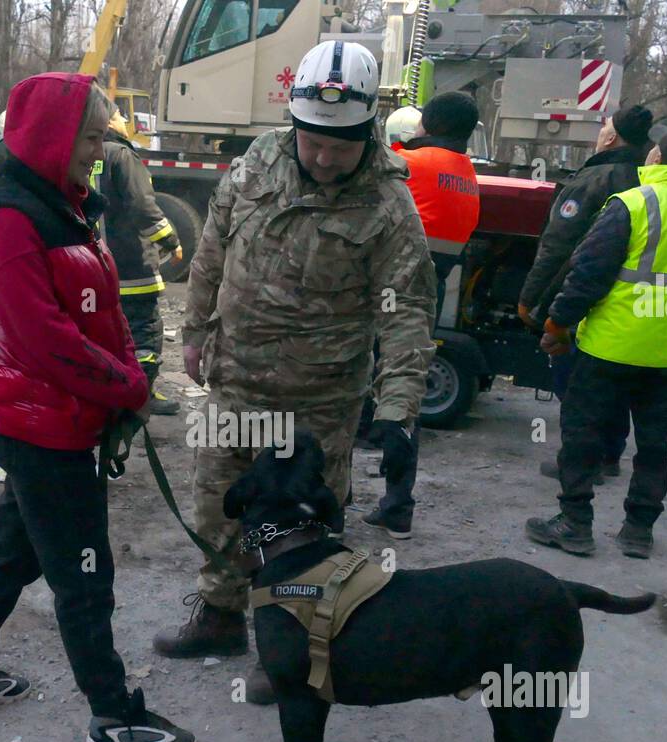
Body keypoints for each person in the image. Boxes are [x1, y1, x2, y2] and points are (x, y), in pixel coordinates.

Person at [152, 40, 436, 704]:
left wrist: (398, 410)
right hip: (239, 381)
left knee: (304, 531)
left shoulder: (388, 208)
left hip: (320, 400)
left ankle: (292, 650)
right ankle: (220, 618)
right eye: (313, 140)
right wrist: (193, 333)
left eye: (340, 143)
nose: (324, 156)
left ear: (368, 130)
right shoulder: (257, 163)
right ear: (294, 125)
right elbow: (213, 249)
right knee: (220, 505)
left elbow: (407, 313)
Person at [0, 73, 197, 742]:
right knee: (83, 579)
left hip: (56, 421)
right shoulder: (10, 220)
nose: (98, 149)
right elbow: (41, 339)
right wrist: (128, 387)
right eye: (89, 136)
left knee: (13, 553)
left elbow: (91, 313)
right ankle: (114, 717)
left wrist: (117, 385)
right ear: (52, 136)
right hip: (42, 426)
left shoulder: (63, 205)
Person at [525, 127, 667, 559]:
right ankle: (639, 530)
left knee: (583, 434)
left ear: (657, 157)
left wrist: (558, 323)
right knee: (656, 443)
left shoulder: (632, 204)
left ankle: (575, 522)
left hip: (611, 345)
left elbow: (588, 272)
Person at [357, 91, 482, 538]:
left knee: (349, 376)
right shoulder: (467, 175)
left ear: (426, 123)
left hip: (382, 283)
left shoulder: (412, 161)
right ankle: (397, 503)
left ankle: (332, 498)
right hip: (425, 290)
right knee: (404, 390)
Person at [519, 105, 654, 484]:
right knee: (612, 383)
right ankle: (609, 454)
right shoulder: (648, 178)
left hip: (582, 293)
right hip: (628, 301)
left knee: (575, 382)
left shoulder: (595, 178)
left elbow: (557, 244)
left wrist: (531, 299)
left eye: (604, 127)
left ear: (611, 138)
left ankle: (583, 463)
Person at [98, 109, 185, 416]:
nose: (125, 121)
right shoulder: (122, 156)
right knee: (144, 329)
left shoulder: (85, 154)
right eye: (120, 115)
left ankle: (108, 390)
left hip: (95, 265)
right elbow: (142, 206)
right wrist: (171, 241)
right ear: (109, 121)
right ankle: (141, 394)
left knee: (105, 331)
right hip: (132, 265)